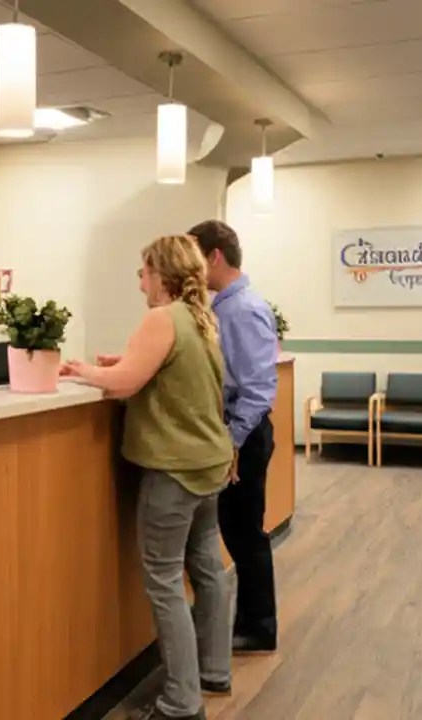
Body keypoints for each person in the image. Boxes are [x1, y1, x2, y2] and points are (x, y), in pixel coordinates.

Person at [62, 235, 232, 720]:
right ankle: (214, 671)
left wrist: (83, 370)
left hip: (175, 469)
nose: (140, 283)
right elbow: (171, 374)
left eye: (144, 273)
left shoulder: (163, 317)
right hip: (209, 464)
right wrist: (123, 363)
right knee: (207, 567)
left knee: (163, 580)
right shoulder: (200, 318)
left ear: (161, 274)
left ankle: (182, 701)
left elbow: (125, 385)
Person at [188, 219, 280, 654]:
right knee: (239, 532)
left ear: (214, 257)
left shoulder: (241, 310)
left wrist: (233, 442)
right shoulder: (226, 307)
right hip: (236, 434)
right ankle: (250, 623)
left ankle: (259, 627)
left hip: (244, 435)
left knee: (245, 534)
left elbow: (258, 388)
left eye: (194, 258)